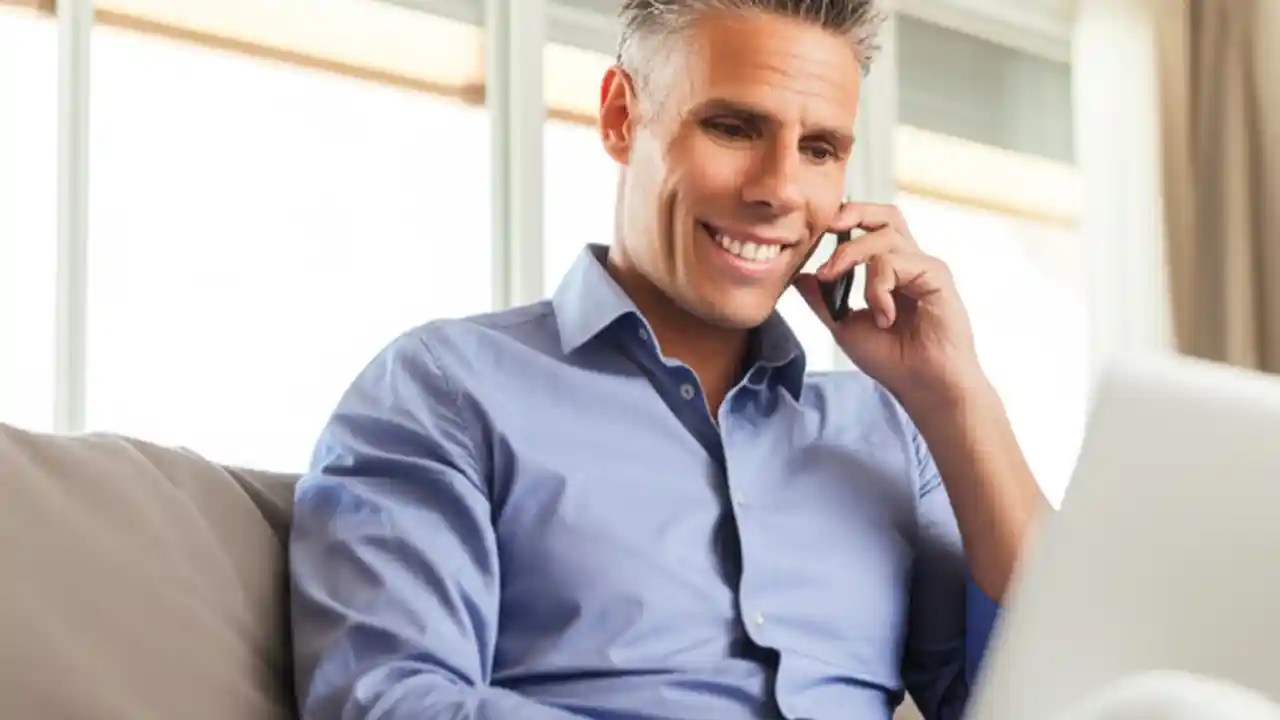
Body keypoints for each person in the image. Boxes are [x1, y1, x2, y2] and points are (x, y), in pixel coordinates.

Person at [288, 1, 1048, 718]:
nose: (780, 190)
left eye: (819, 149)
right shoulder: (446, 389)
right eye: (732, 127)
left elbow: (1069, 693)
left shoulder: (888, 431)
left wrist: (960, 400)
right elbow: (386, 699)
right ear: (622, 116)